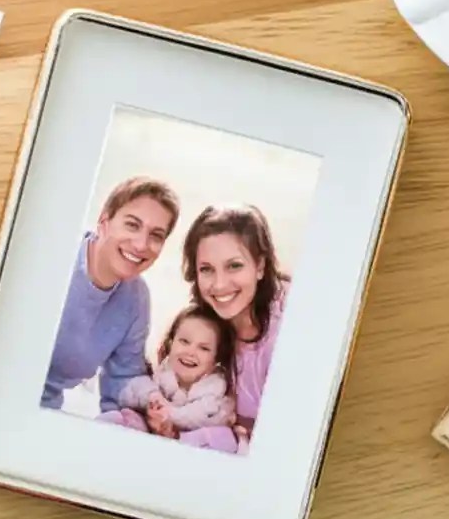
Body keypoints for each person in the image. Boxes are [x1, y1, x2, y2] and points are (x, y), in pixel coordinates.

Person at [155, 204, 290, 454]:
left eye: (234, 266)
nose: (219, 285)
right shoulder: (204, 329)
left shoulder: (287, 331)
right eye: (206, 269)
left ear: (260, 266)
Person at [41, 176, 180, 414]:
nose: (141, 244)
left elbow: (123, 376)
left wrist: (153, 401)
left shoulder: (136, 298)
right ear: (103, 222)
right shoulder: (53, 254)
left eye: (156, 235)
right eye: (132, 225)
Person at [100, 303, 237, 436]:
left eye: (204, 348)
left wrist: (169, 414)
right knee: (124, 418)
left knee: (220, 438)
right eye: (184, 341)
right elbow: (134, 390)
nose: (191, 352)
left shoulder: (215, 390)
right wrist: (152, 403)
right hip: (152, 428)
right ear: (171, 342)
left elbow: (199, 417)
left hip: (188, 440)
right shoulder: (163, 373)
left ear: (216, 359)